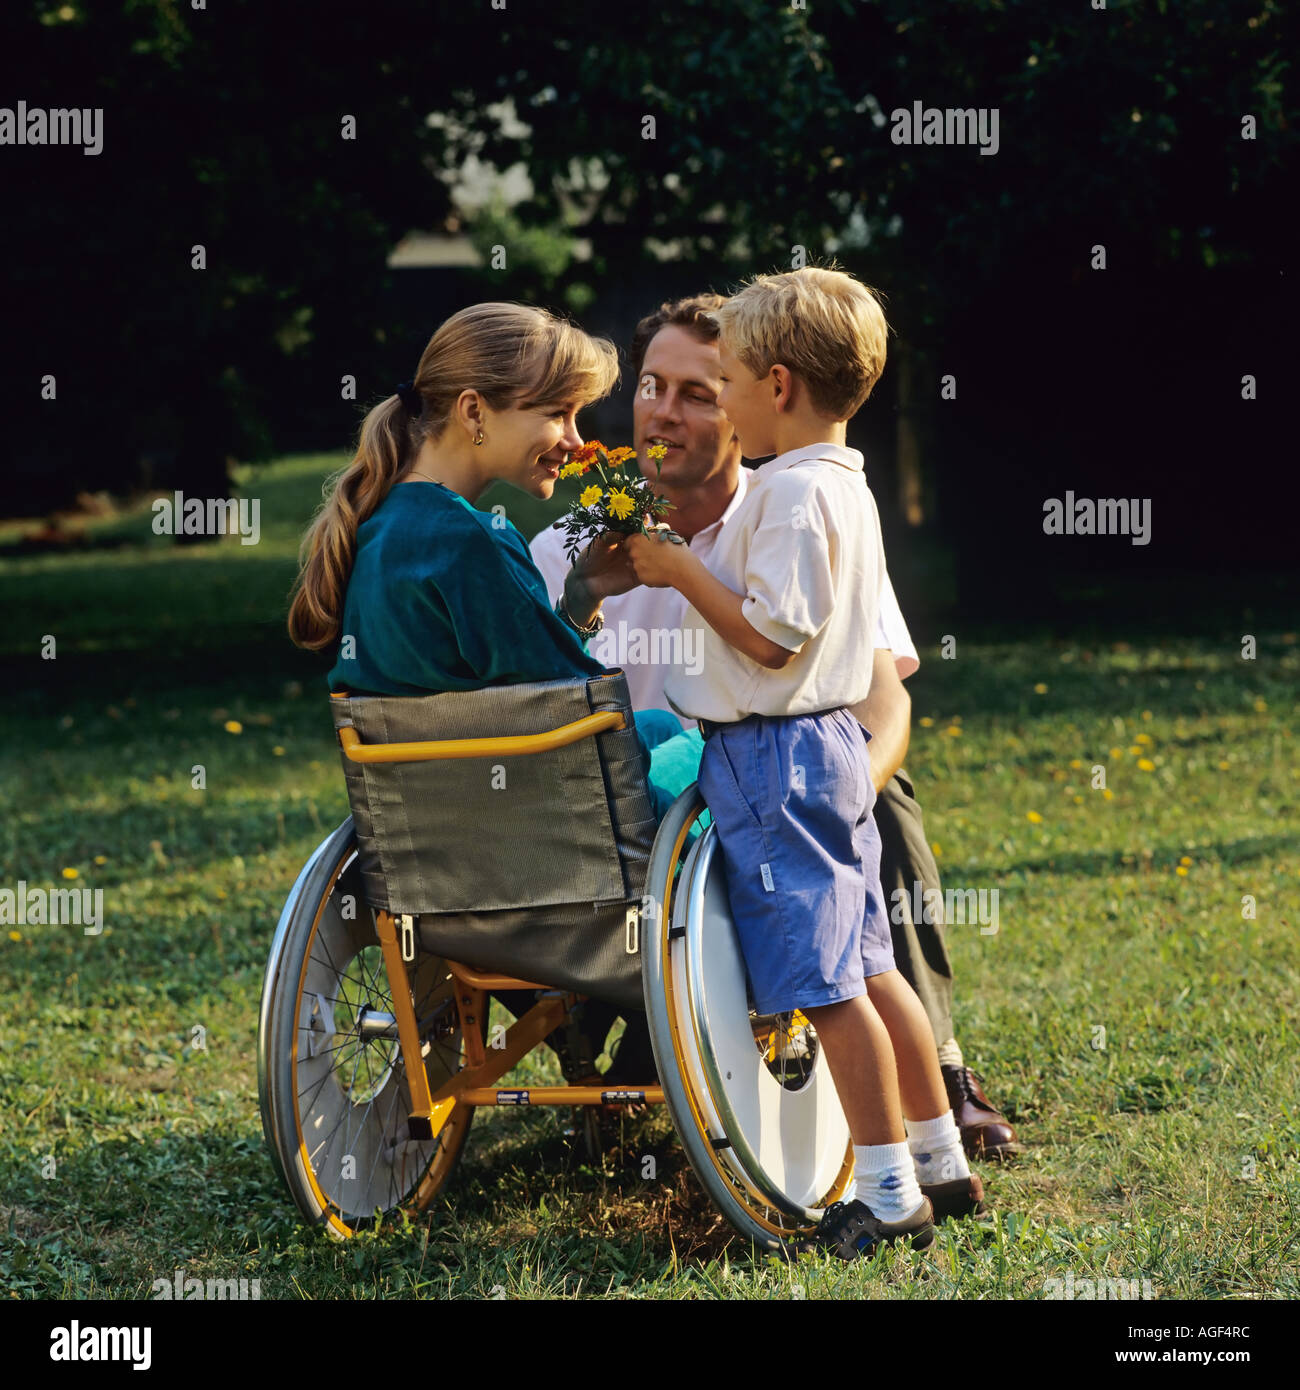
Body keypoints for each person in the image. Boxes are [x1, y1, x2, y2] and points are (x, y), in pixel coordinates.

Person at [530, 292, 1020, 1161]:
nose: (663, 411)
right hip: (629, 820)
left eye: (698, 391)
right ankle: (616, 1042)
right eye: (651, 386)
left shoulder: (791, 509)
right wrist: (585, 599)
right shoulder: (570, 545)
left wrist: (840, 797)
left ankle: (939, 1082)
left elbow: (883, 702)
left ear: (757, 398)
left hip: (771, 782)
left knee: (888, 806)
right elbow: (523, 702)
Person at [611, 264, 979, 1259]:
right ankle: (941, 1156)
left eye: (722, 380)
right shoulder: (841, 488)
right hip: (819, 753)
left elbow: (771, 639)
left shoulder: (787, 498)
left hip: (773, 758)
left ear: (774, 386)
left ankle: (889, 1189)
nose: (715, 401)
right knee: (869, 964)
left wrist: (678, 569)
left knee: (825, 988)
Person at [285, 300, 682, 1075]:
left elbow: (503, 678)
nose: (574, 441)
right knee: (688, 745)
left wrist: (576, 600)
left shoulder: (376, 532)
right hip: (554, 862)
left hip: (436, 864)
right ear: (474, 411)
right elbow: (575, 703)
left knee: (666, 734)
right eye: (558, 413)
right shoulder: (475, 542)